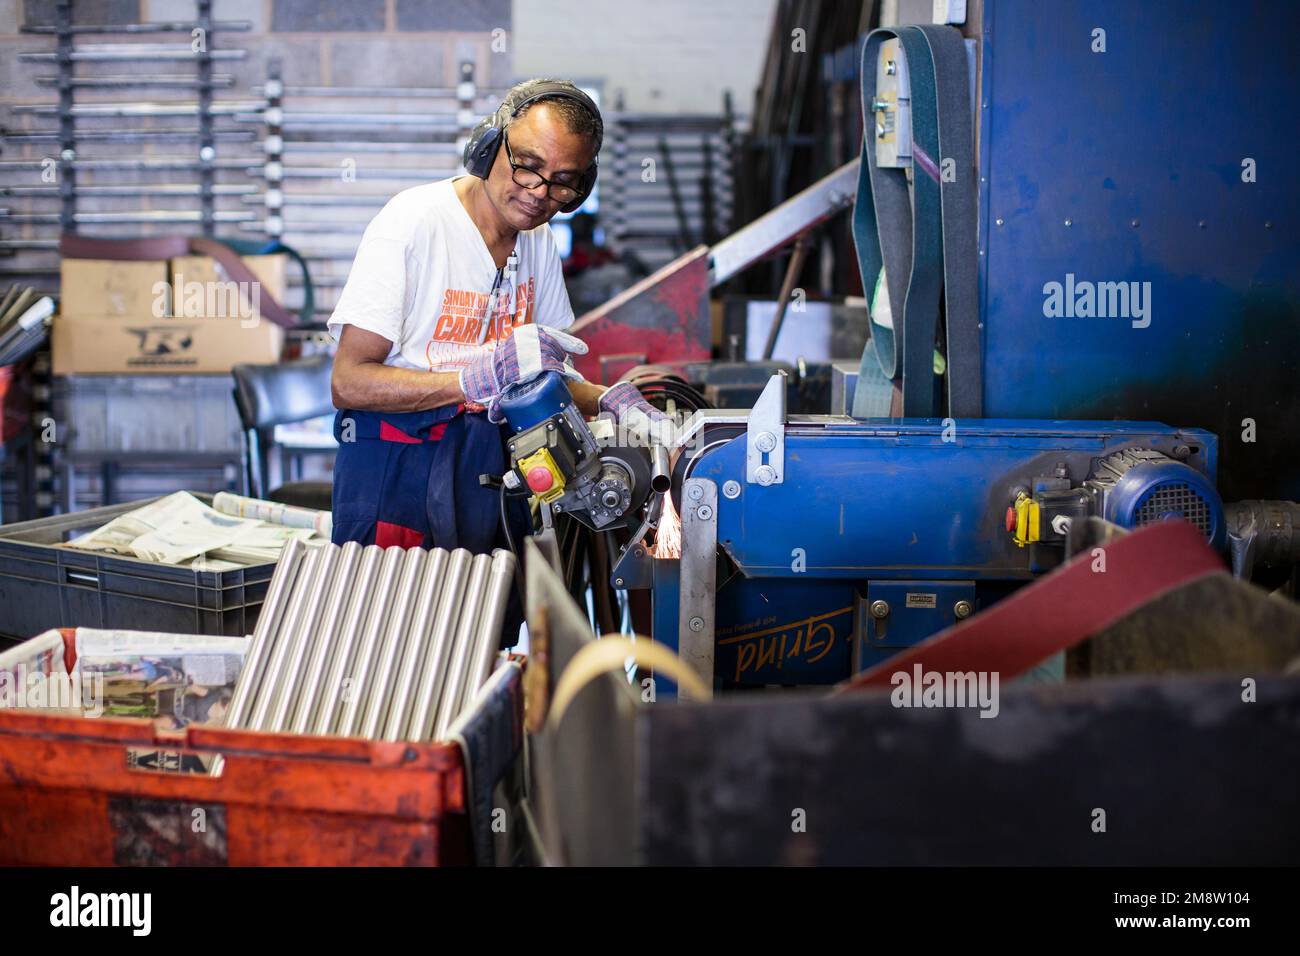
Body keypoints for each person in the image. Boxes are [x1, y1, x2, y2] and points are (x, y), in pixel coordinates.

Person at [328, 78, 665, 562]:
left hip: (491, 472)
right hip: (398, 475)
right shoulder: (412, 224)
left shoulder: (537, 239)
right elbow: (348, 382)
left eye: (562, 181)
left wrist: (612, 401)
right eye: (527, 167)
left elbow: (536, 376)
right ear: (488, 146)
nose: (538, 193)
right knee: (403, 626)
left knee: (489, 626)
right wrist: (470, 382)